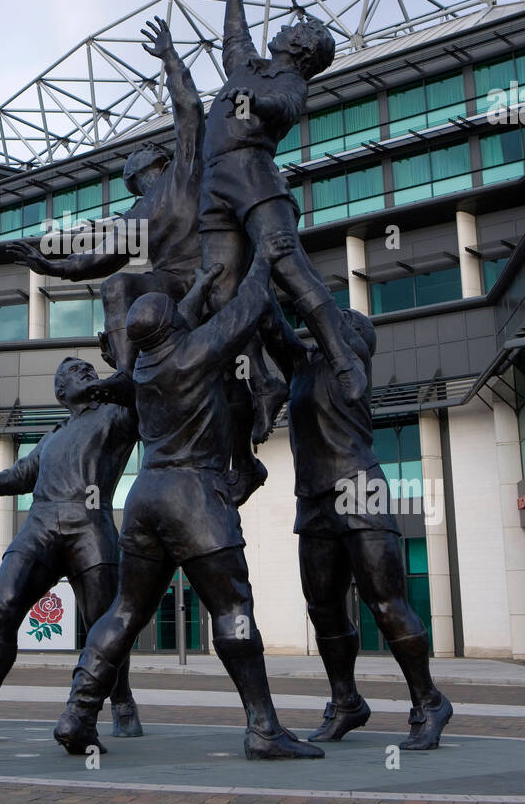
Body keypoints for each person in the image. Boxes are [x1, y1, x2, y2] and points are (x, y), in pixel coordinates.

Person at [54, 250, 324, 762]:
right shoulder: (197, 352)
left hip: (144, 498)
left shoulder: (142, 368)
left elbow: (183, 318)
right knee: (232, 609)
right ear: (175, 324)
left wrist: (198, 287)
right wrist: (262, 260)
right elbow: (245, 309)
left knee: (125, 610)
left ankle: (78, 712)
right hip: (194, 498)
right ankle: (263, 727)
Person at [266, 302, 452, 749]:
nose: (329, 324)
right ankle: (346, 701)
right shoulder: (300, 367)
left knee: (385, 603)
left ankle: (429, 702)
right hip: (313, 497)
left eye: (343, 322)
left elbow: (322, 318)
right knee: (323, 608)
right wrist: (258, 260)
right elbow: (269, 319)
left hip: (358, 486)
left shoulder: (351, 360)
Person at [198, 0, 367, 420]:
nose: (287, 27)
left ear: (303, 48)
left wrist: (255, 101)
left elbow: (283, 107)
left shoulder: (290, 81)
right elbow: (234, 33)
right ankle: (264, 381)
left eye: (296, 27)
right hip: (215, 183)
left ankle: (341, 355)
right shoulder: (246, 66)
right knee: (218, 291)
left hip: (254, 175)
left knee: (288, 266)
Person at [0, 357, 143, 745]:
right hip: (40, 524)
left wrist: (112, 373)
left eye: (88, 368)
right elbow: (19, 475)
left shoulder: (118, 415)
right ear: (60, 392)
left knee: (103, 626)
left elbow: (141, 389)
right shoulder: (52, 436)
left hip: (90, 524)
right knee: (1, 606)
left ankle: (121, 700)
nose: (85, 371)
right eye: (74, 372)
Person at [9, 16, 203, 399]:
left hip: (208, 270)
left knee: (117, 282)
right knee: (117, 284)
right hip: (171, 283)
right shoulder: (139, 212)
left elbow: (189, 111)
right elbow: (101, 258)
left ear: (155, 164)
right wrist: (55, 267)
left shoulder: (185, 171)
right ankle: (129, 377)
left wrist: (170, 60)